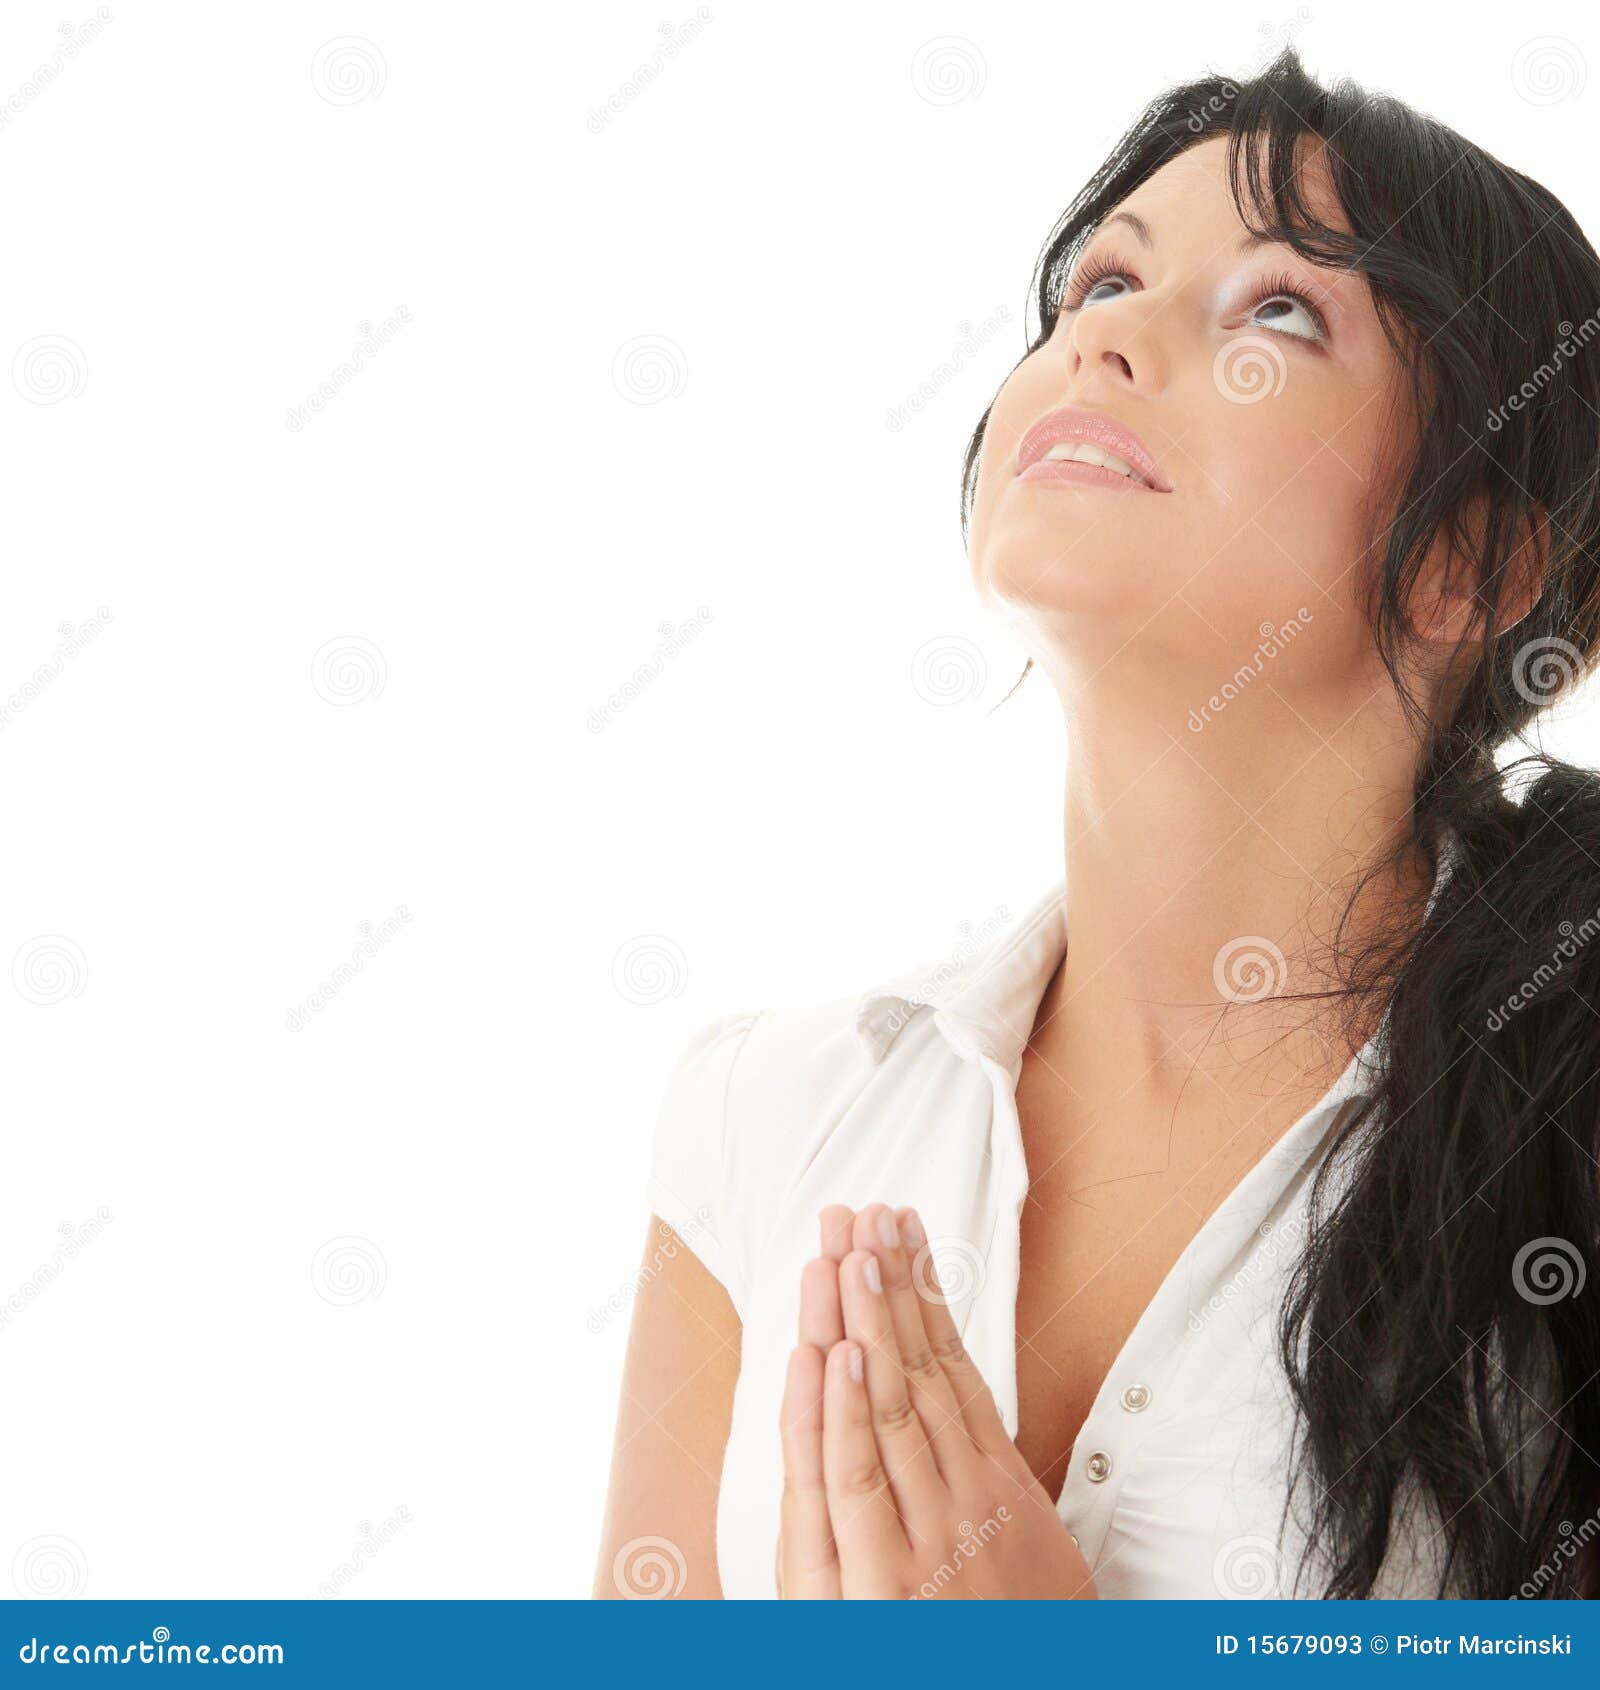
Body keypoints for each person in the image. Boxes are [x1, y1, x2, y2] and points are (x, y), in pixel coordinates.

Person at [596, 48, 1600, 1600]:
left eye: (1280, 311)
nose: (1109, 332)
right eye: (1101, 278)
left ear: (1466, 565)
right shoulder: (767, 1113)